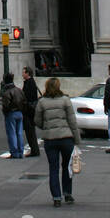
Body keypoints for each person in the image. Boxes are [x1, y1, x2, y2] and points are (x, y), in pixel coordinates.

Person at [34, 77, 81, 206]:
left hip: (50, 139)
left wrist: (47, 126)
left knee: (53, 168)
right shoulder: (65, 100)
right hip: (66, 138)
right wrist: (77, 139)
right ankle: (67, 193)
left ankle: (56, 197)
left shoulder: (42, 102)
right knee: (67, 166)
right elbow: (72, 121)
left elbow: (37, 121)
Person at [0, 72, 26, 160]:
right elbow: (24, 101)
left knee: (12, 133)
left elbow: (6, 105)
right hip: (19, 112)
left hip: (11, 113)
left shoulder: (6, 92)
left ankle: (14, 152)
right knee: (19, 133)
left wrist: (6, 112)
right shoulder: (19, 90)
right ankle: (20, 151)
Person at [22, 66, 41, 157]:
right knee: (30, 132)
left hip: (29, 111)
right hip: (31, 110)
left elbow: (27, 97)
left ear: (27, 73)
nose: (22, 74)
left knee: (30, 132)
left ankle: (34, 150)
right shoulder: (30, 82)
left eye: (24, 72)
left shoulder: (29, 83)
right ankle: (34, 149)